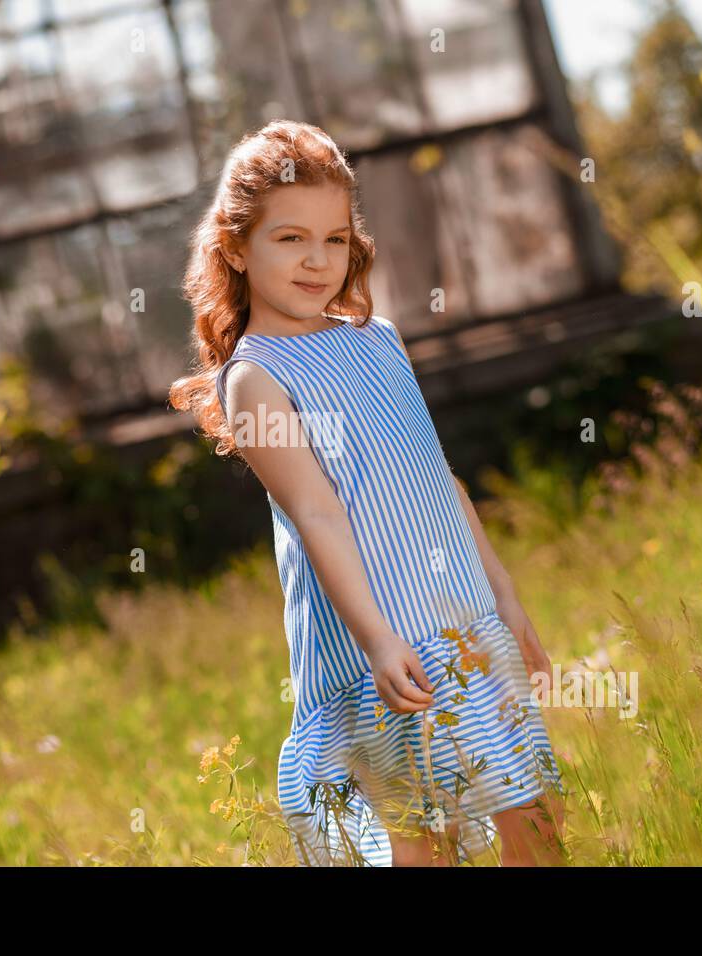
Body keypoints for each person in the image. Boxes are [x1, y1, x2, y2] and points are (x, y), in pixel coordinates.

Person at [169, 120, 567, 867]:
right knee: (425, 845)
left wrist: (504, 597)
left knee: (537, 826)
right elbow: (316, 514)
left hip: (463, 620)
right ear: (235, 247)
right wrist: (380, 639)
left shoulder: (380, 338)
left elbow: (436, 477)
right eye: (289, 240)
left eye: (334, 238)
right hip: (380, 642)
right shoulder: (258, 378)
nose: (317, 261)